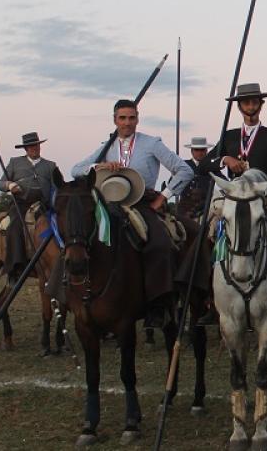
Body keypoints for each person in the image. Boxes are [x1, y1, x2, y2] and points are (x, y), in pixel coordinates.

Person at [72, 99, 194, 327]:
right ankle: (71, 295)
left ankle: (159, 303)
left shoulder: (152, 143)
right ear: (114, 120)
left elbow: (184, 170)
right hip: (109, 206)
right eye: (122, 118)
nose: (127, 123)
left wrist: (162, 198)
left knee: (160, 244)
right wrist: (98, 166)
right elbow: (75, 170)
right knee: (79, 239)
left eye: (131, 118)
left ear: (137, 119)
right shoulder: (106, 147)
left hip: (142, 203)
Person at [199, 82, 267, 188]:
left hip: (262, 193)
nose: (251, 107)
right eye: (246, 103)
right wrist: (225, 159)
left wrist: (264, 190)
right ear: (239, 106)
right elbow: (203, 165)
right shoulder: (228, 136)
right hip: (235, 192)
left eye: (255, 102)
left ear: (261, 105)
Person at [0, 132, 58, 280]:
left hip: (44, 204)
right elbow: (1, 184)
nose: (34, 148)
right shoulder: (15, 162)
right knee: (15, 226)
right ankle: (16, 266)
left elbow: (57, 186)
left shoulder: (50, 166)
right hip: (21, 203)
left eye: (36, 145)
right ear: (26, 149)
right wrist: (10, 185)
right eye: (31, 146)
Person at [176, 135, 214, 218]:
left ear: (206, 151)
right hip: (185, 209)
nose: (200, 152)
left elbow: (222, 180)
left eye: (202, 150)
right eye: (197, 150)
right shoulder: (183, 165)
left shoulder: (212, 166)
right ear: (192, 151)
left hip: (206, 208)